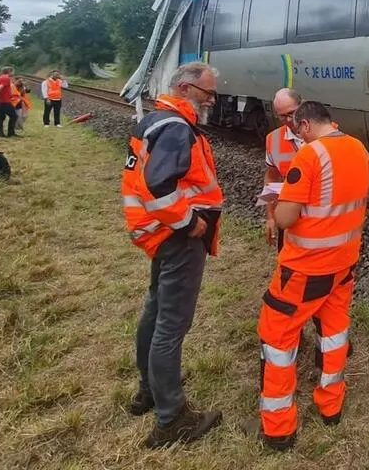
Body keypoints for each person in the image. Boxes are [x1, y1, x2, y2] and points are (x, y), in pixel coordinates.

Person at [257, 100, 369, 451]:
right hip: (344, 263)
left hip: (306, 268)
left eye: (296, 127)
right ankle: (331, 406)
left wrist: (276, 206)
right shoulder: (358, 148)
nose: (295, 132)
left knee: (276, 338)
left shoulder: (309, 156)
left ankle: (278, 430)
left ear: (306, 125)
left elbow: (286, 219)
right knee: (335, 332)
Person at [121, 61, 224, 448]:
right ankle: (172, 419)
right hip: (176, 236)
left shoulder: (154, 121)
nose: (212, 100)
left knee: (155, 309)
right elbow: (158, 184)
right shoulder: (176, 128)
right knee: (171, 324)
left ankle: (148, 390)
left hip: (156, 234)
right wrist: (188, 223)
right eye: (208, 92)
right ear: (185, 87)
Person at [262, 88, 303, 250]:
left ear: (303, 106)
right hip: (289, 216)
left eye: (292, 113)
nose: (288, 120)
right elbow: (271, 178)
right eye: (282, 116)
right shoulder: (273, 140)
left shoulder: (326, 135)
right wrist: (270, 217)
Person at [0, 66, 18, 137]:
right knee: (13, 116)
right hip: (4, 101)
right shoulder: (6, 78)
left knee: (0, 116)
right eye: (13, 71)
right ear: (9, 71)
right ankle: (11, 133)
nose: (13, 73)